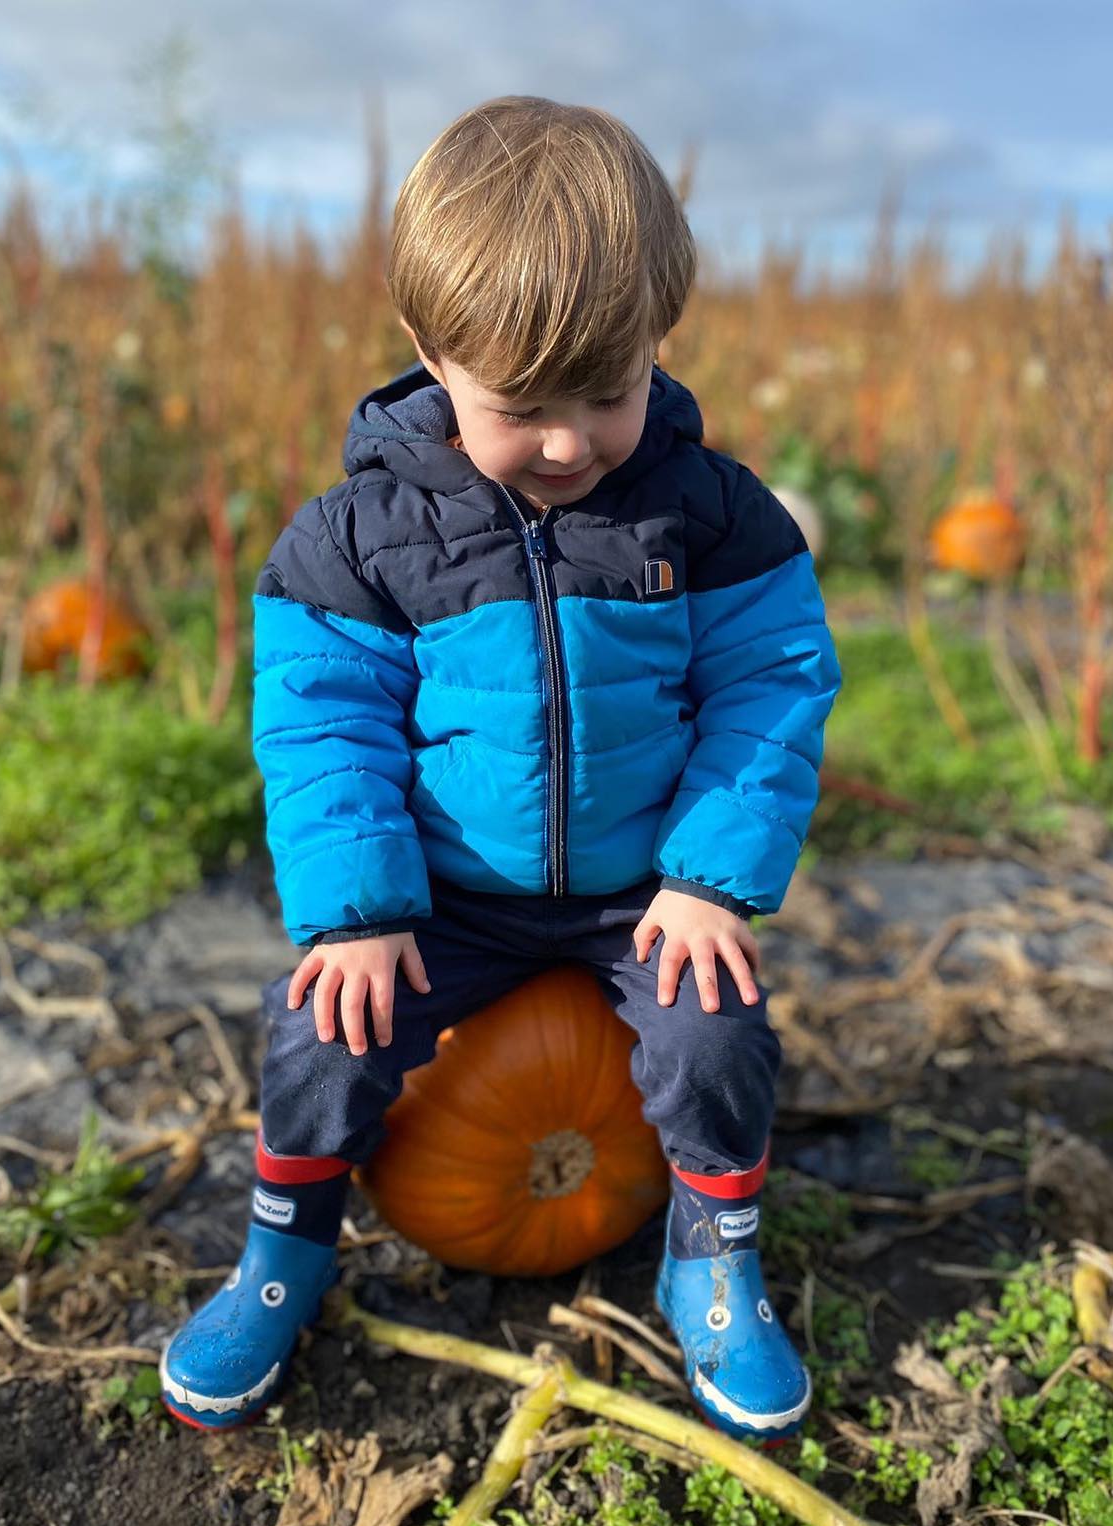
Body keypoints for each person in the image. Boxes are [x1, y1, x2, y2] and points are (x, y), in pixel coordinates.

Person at [158, 96, 841, 1443]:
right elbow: (322, 727)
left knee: (715, 1038)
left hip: (641, 893)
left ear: (659, 339)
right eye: (523, 408)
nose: (574, 442)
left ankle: (716, 1262)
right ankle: (283, 1254)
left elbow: (772, 688)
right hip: (445, 900)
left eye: (611, 391)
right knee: (319, 1032)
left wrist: (711, 879)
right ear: (429, 351)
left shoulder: (707, 514)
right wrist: (361, 912)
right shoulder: (355, 541)